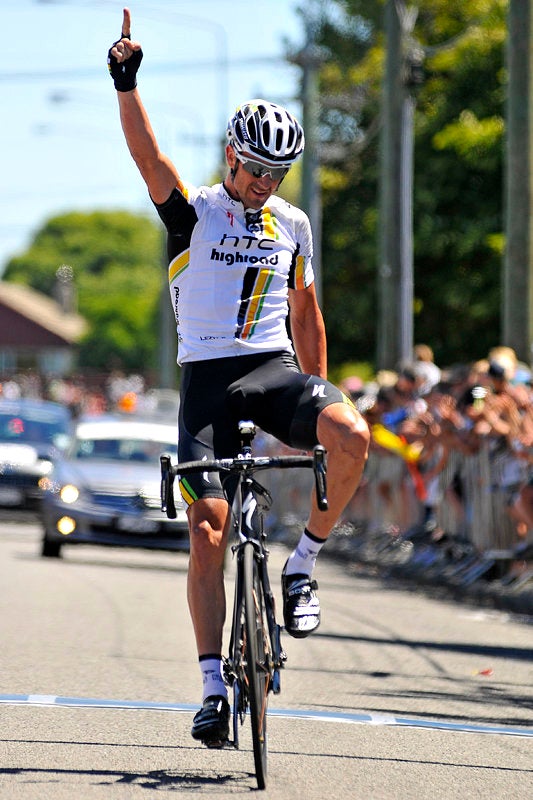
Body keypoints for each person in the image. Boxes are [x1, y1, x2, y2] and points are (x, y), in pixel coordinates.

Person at [108, 9, 370, 746]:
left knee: (352, 433)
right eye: (254, 169)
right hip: (206, 384)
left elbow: (307, 316)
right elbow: (146, 157)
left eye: (275, 174)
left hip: (273, 369)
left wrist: (318, 409)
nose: (262, 183)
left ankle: (303, 565)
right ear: (230, 156)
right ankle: (212, 688)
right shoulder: (195, 212)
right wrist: (126, 82)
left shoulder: (292, 225)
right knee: (207, 527)